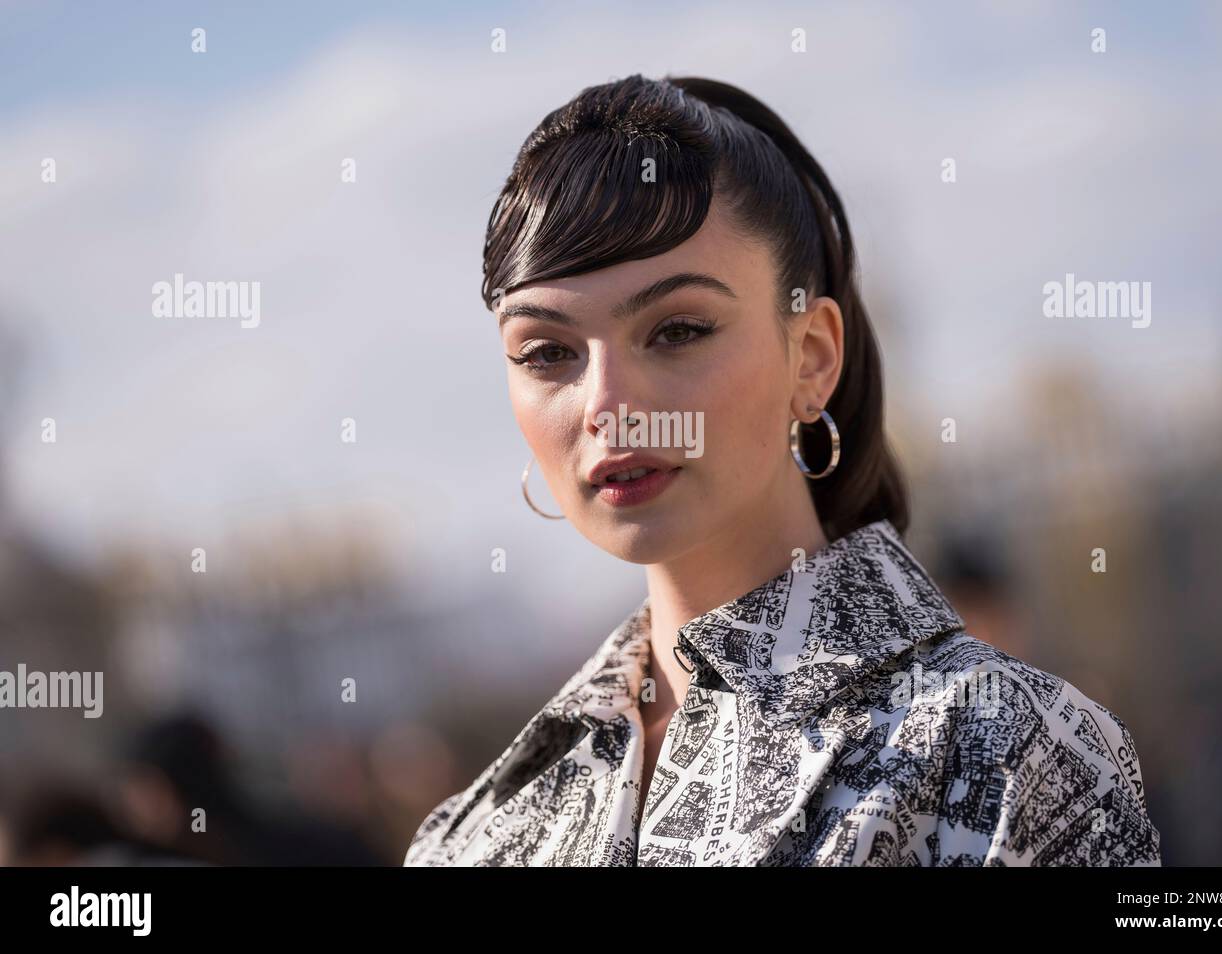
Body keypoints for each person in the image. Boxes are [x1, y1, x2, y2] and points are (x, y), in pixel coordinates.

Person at [404, 74, 1162, 866]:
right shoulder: (476, 836)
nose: (607, 405)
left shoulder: (1001, 752)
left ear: (811, 356)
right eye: (548, 353)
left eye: (678, 330)